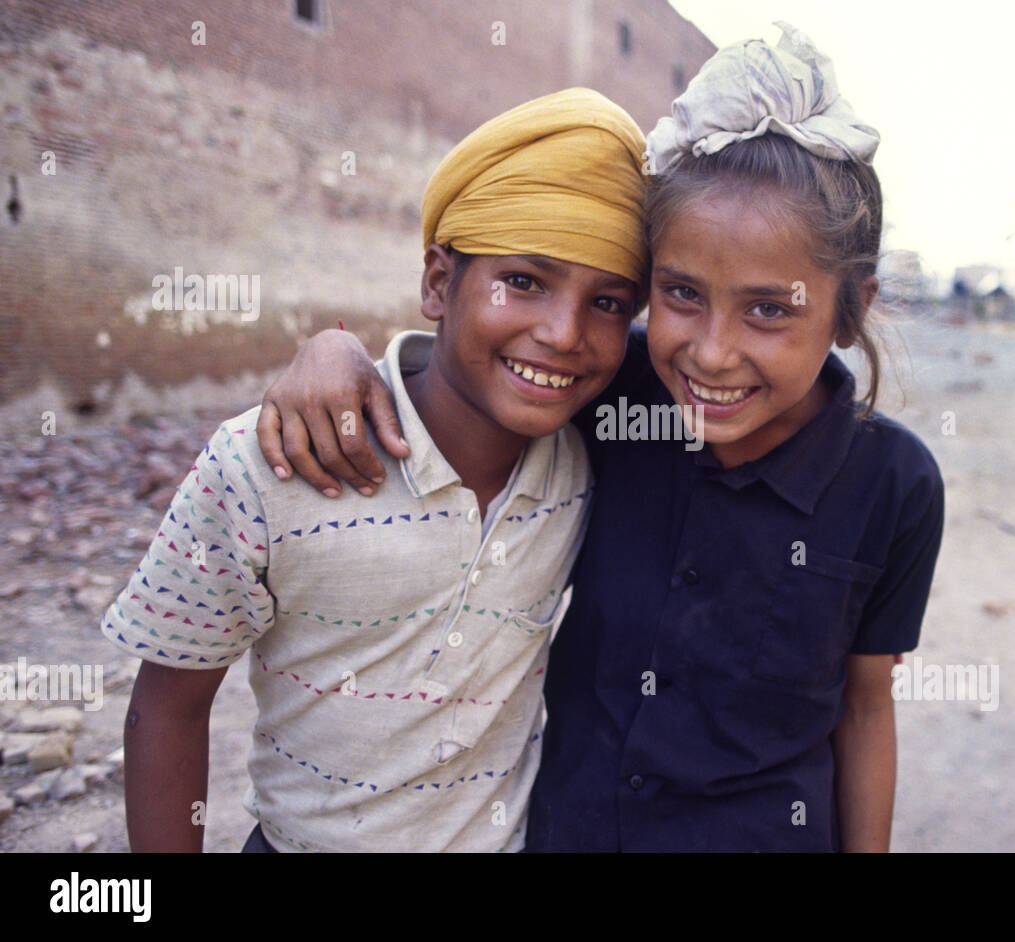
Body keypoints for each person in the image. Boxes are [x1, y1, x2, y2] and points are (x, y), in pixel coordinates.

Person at [258, 23, 944, 851]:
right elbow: (475, 371)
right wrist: (332, 353)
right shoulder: (609, 400)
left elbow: (866, 706)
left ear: (851, 310)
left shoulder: (896, 484)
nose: (712, 351)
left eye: (769, 308)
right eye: (682, 294)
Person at [100, 88, 650, 852]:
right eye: (523, 281)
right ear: (437, 283)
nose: (562, 333)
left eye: (610, 302)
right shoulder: (270, 464)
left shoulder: (596, 459)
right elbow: (166, 709)